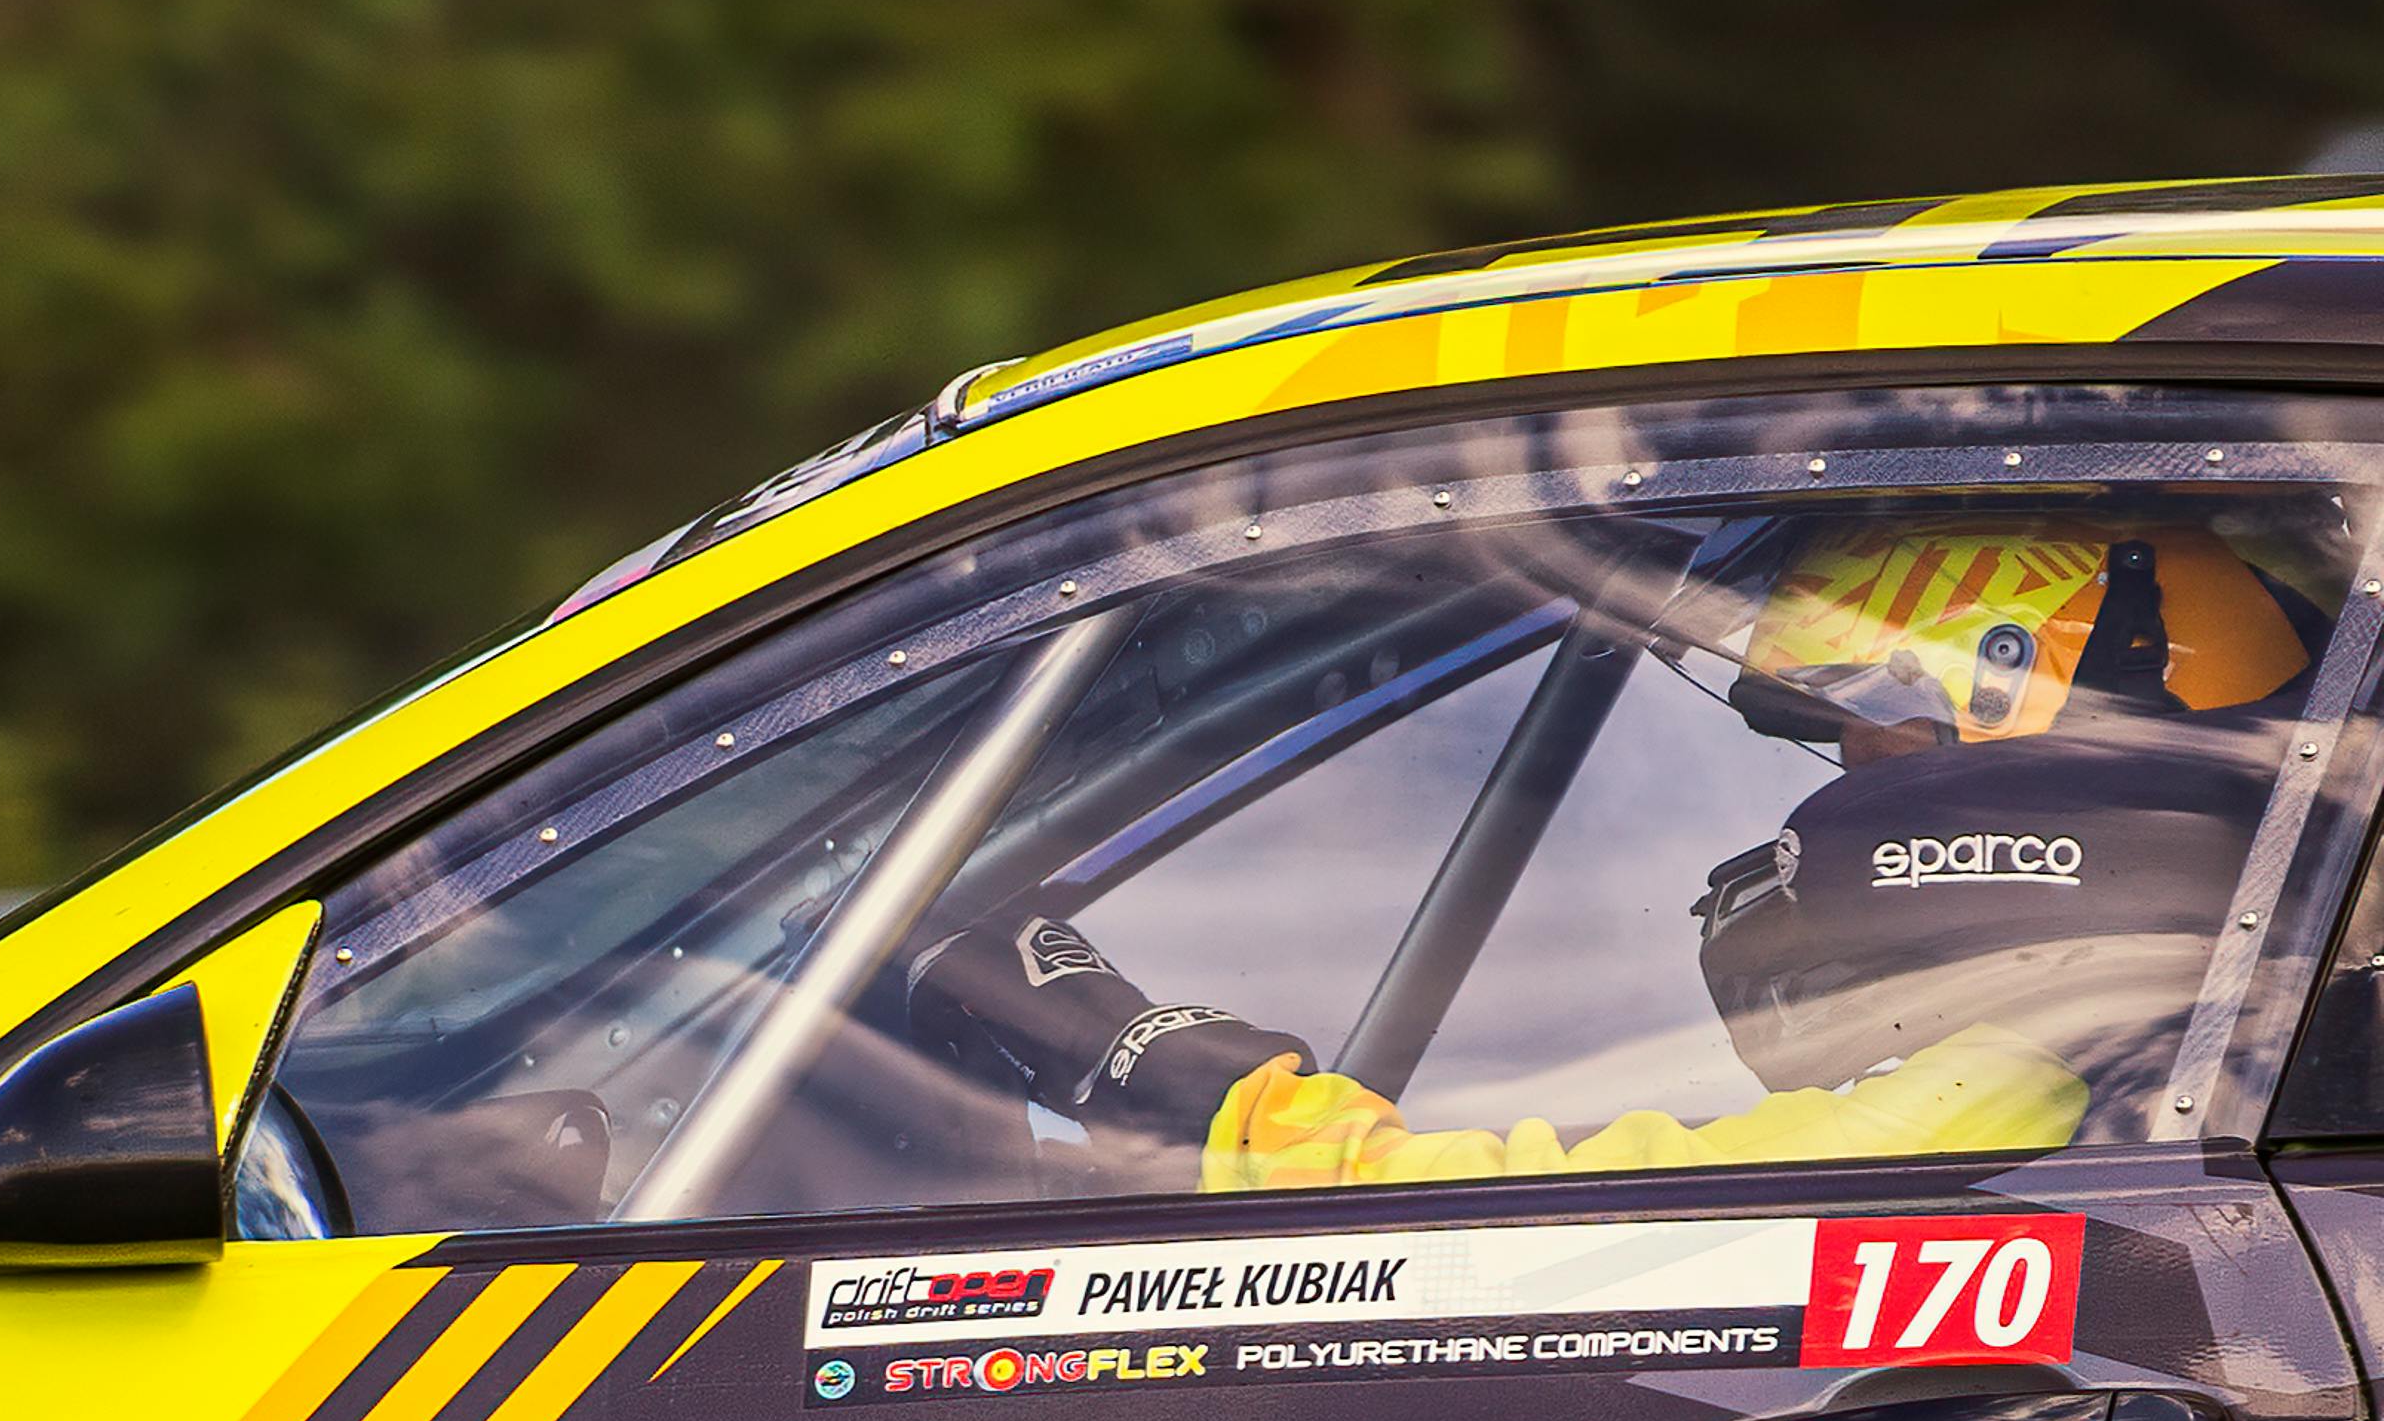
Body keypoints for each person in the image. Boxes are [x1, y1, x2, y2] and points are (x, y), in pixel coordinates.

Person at [902, 519, 2310, 1194]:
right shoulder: (2226, 1025)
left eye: (1860, 730)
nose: (1843, 781)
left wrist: (1198, 1090)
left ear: (2013, 701)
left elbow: (1555, 1231)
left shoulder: (2068, 1062)